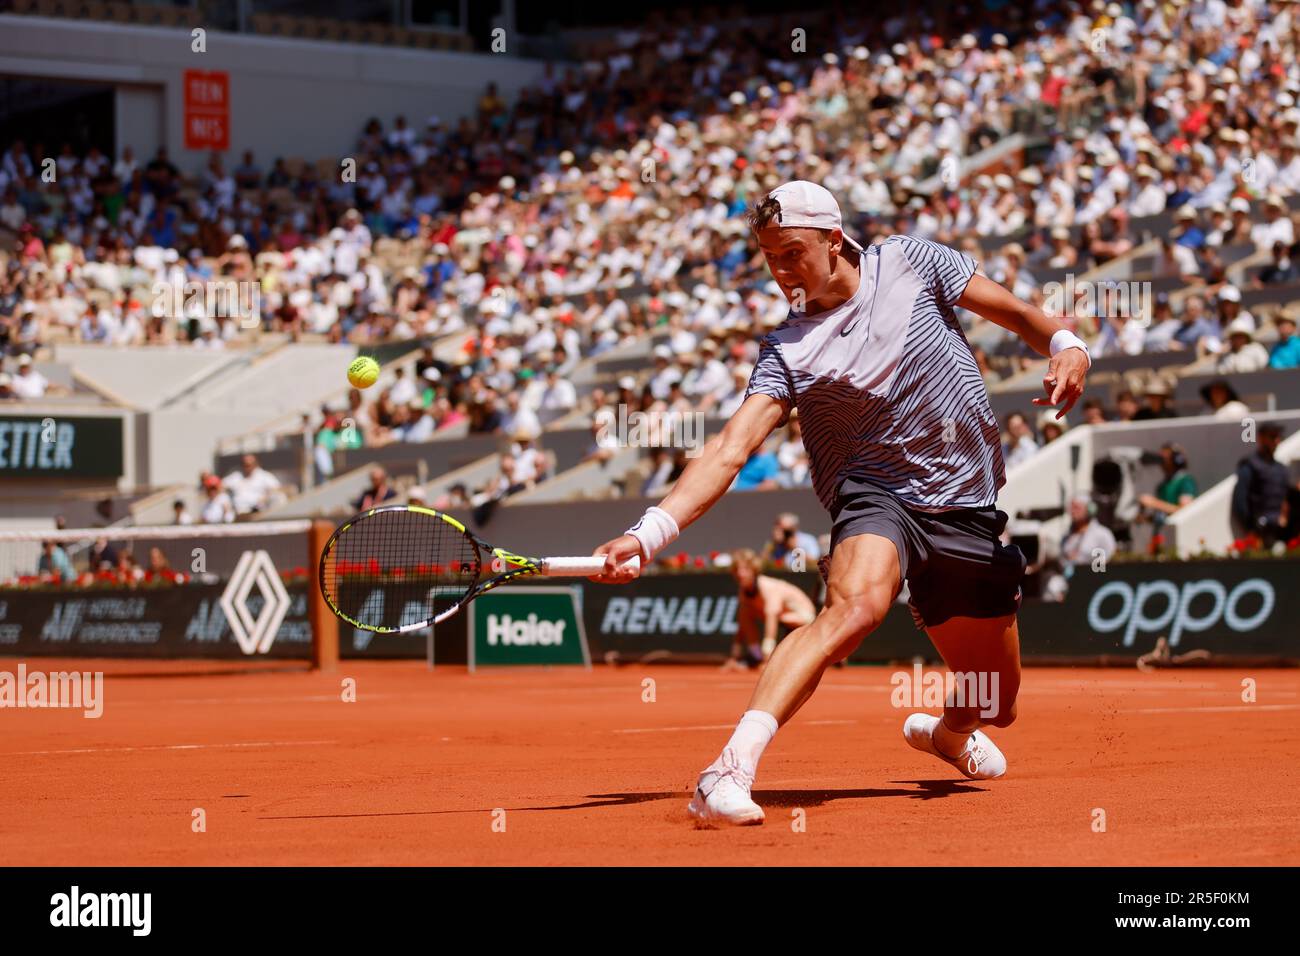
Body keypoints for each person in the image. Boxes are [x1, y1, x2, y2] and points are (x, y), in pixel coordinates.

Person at [590, 181, 1090, 825]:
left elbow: (1020, 314)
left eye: (791, 252)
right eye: (768, 257)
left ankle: (950, 733)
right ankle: (728, 770)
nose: (779, 270)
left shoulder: (911, 261)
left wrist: (1066, 345)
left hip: (966, 501)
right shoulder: (788, 348)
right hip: (875, 492)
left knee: (998, 700)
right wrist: (648, 533)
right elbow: (728, 451)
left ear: (833, 240)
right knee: (856, 606)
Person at [722, 549, 817, 671]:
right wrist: (735, 655)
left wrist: (767, 659)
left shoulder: (768, 588)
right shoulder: (744, 591)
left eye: (745, 569)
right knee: (744, 612)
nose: (740, 574)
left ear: (754, 570)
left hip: (807, 619)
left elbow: (771, 620)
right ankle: (755, 655)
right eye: (737, 570)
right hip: (783, 619)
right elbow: (742, 625)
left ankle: (767, 657)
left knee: (774, 614)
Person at [1232, 423, 1290, 547]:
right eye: (1272, 437)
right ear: (1261, 438)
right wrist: (1251, 530)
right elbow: (1240, 500)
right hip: (1260, 531)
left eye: (1278, 437)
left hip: (1281, 530)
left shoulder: (1281, 469)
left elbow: (1286, 498)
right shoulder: (1250, 465)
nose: (1276, 441)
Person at [1138, 443, 1197, 540]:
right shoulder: (1162, 486)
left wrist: (1153, 503)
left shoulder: (1185, 482)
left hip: (1177, 538)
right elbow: (1162, 516)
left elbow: (1185, 511)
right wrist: (1144, 517)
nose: (1161, 462)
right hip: (1160, 538)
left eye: (1164, 458)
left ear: (1176, 460)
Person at [1060, 495, 1117, 570]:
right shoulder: (1066, 537)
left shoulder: (1102, 534)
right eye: (1071, 508)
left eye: (1077, 508)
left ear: (1090, 509)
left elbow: (1109, 559)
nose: (1073, 512)